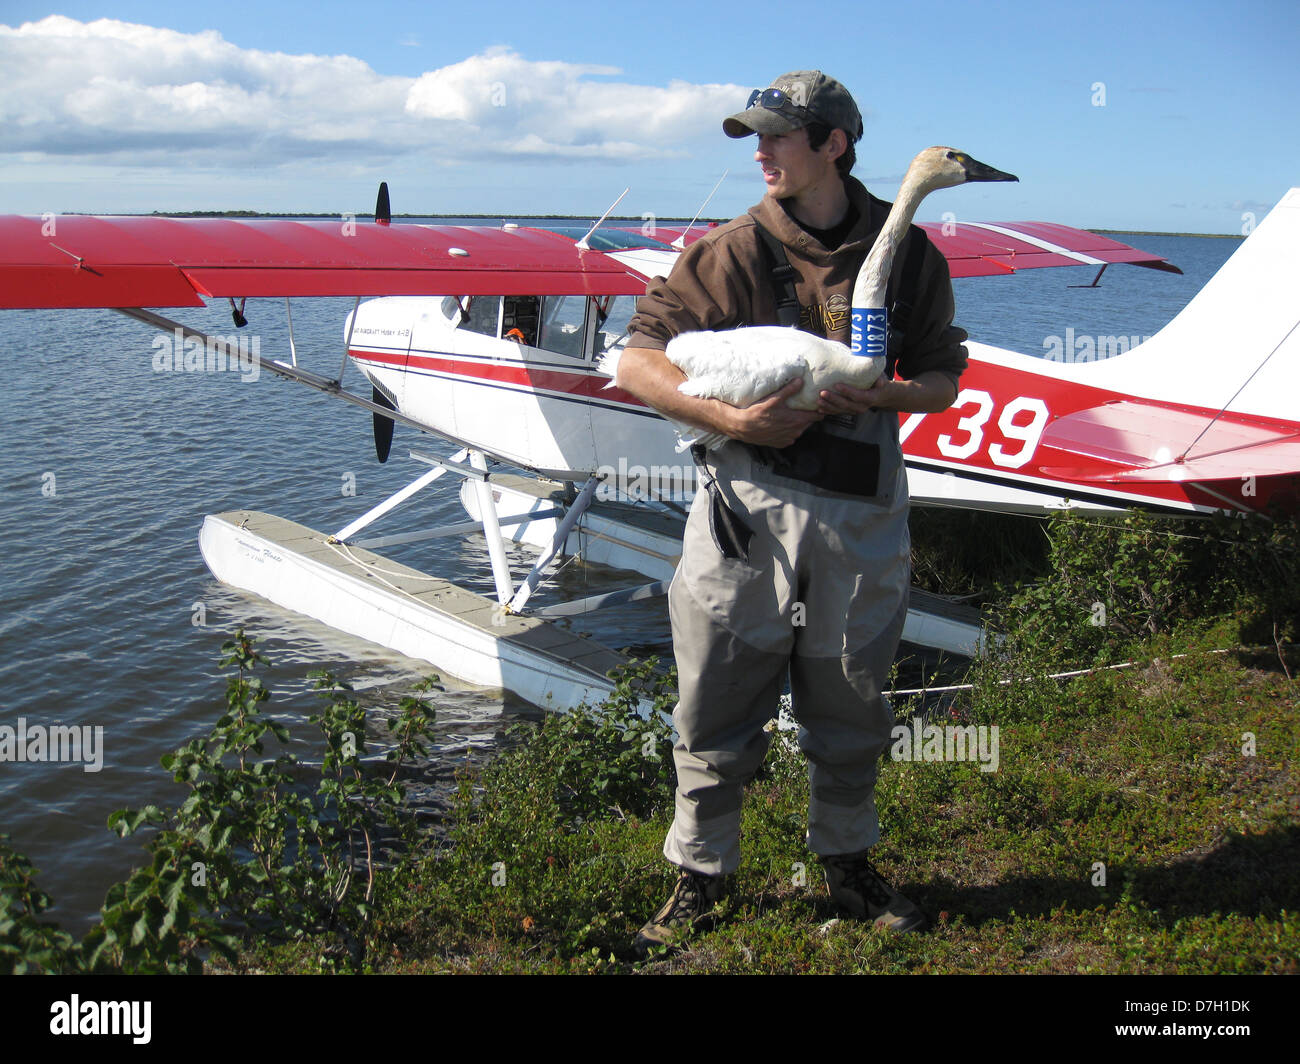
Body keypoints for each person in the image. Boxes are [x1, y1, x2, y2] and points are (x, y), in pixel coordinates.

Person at [615, 71, 969, 954]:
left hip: (860, 514)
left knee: (852, 698)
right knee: (714, 698)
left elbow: (943, 380)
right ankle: (701, 877)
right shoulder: (728, 252)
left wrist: (886, 394)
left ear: (835, 144)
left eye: (777, 136)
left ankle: (845, 865)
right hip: (747, 510)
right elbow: (637, 363)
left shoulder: (912, 253)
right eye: (755, 137)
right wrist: (729, 419)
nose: (761, 152)